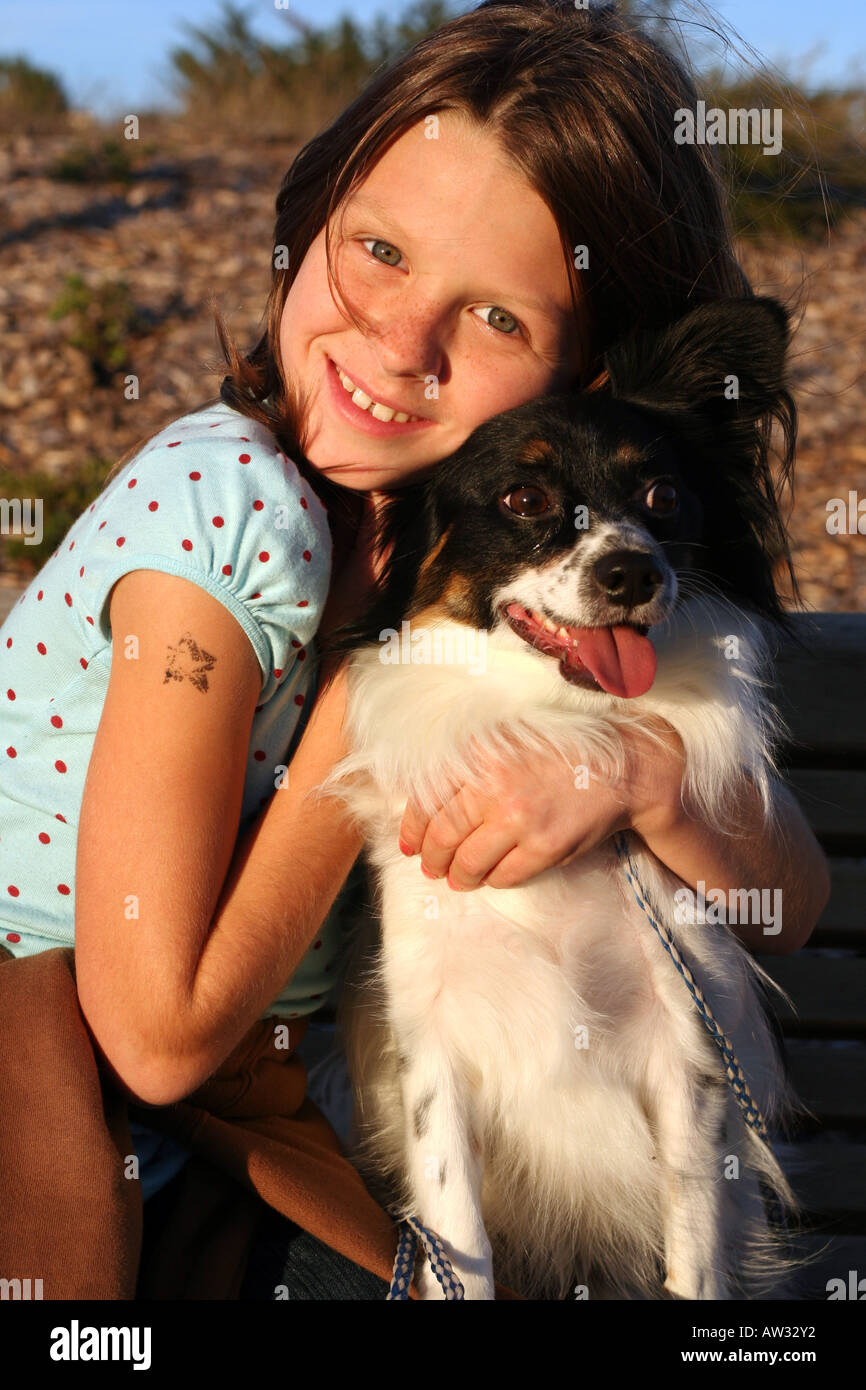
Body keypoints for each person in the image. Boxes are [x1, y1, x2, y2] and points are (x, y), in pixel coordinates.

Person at [0, 0, 830, 1300]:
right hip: (71, 1088)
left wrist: (647, 778)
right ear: (311, 212)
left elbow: (794, 900)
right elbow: (156, 1043)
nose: (398, 341)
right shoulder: (228, 515)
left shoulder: (461, 542)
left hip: (241, 1135)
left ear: (581, 377)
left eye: (496, 318)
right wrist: (366, 708)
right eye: (375, 249)